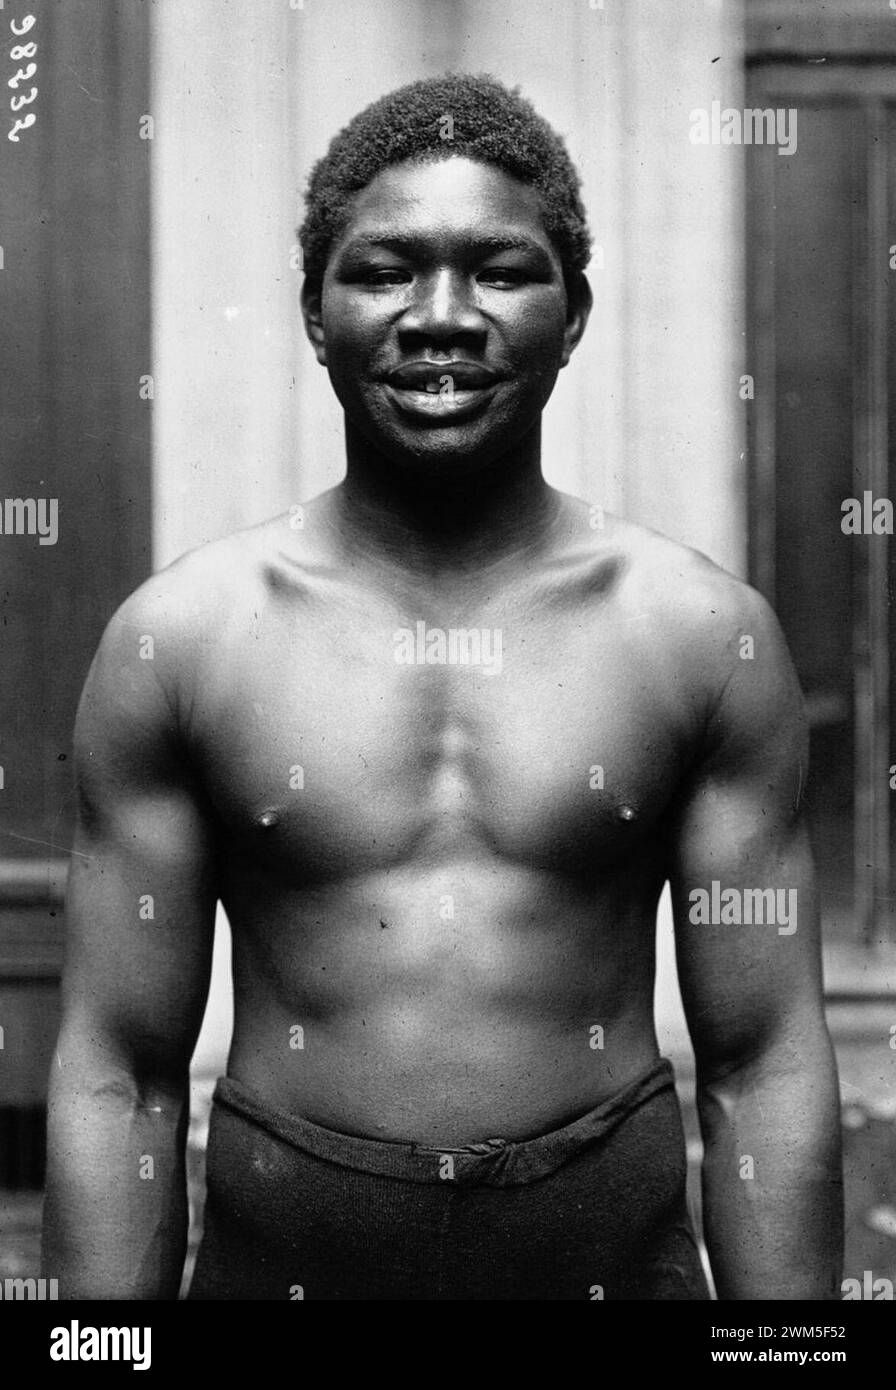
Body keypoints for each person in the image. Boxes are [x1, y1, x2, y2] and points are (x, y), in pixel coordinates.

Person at [42, 74, 843, 1300]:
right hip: (284, 1261)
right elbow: (121, 1073)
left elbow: (763, 1061)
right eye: (383, 270)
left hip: (606, 1262)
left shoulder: (698, 635)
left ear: (573, 312)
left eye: (499, 270)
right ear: (314, 310)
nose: (440, 317)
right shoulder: (183, 640)